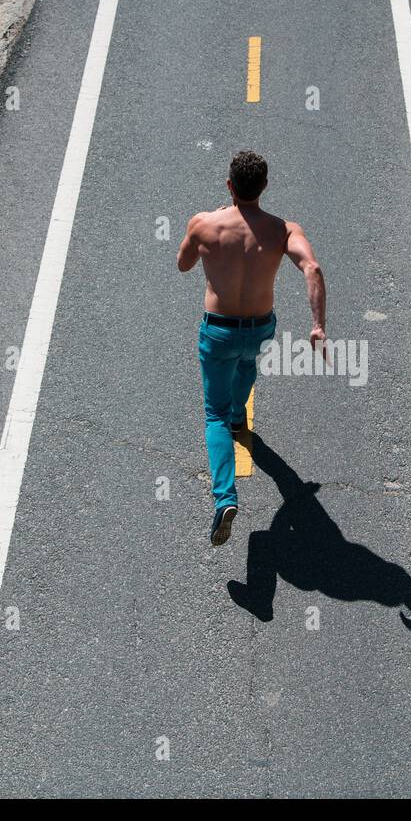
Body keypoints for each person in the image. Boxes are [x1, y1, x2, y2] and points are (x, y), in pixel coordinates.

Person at [177, 150, 326, 545]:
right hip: (259, 327)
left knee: (214, 416)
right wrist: (317, 325)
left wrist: (204, 229)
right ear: (265, 187)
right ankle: (241, 414)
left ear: (229, 186)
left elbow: (183, 264)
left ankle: (225, 498)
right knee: (247, 365)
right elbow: (312, 268)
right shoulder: (282, 230)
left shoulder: (205, 225)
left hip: (218, 330)